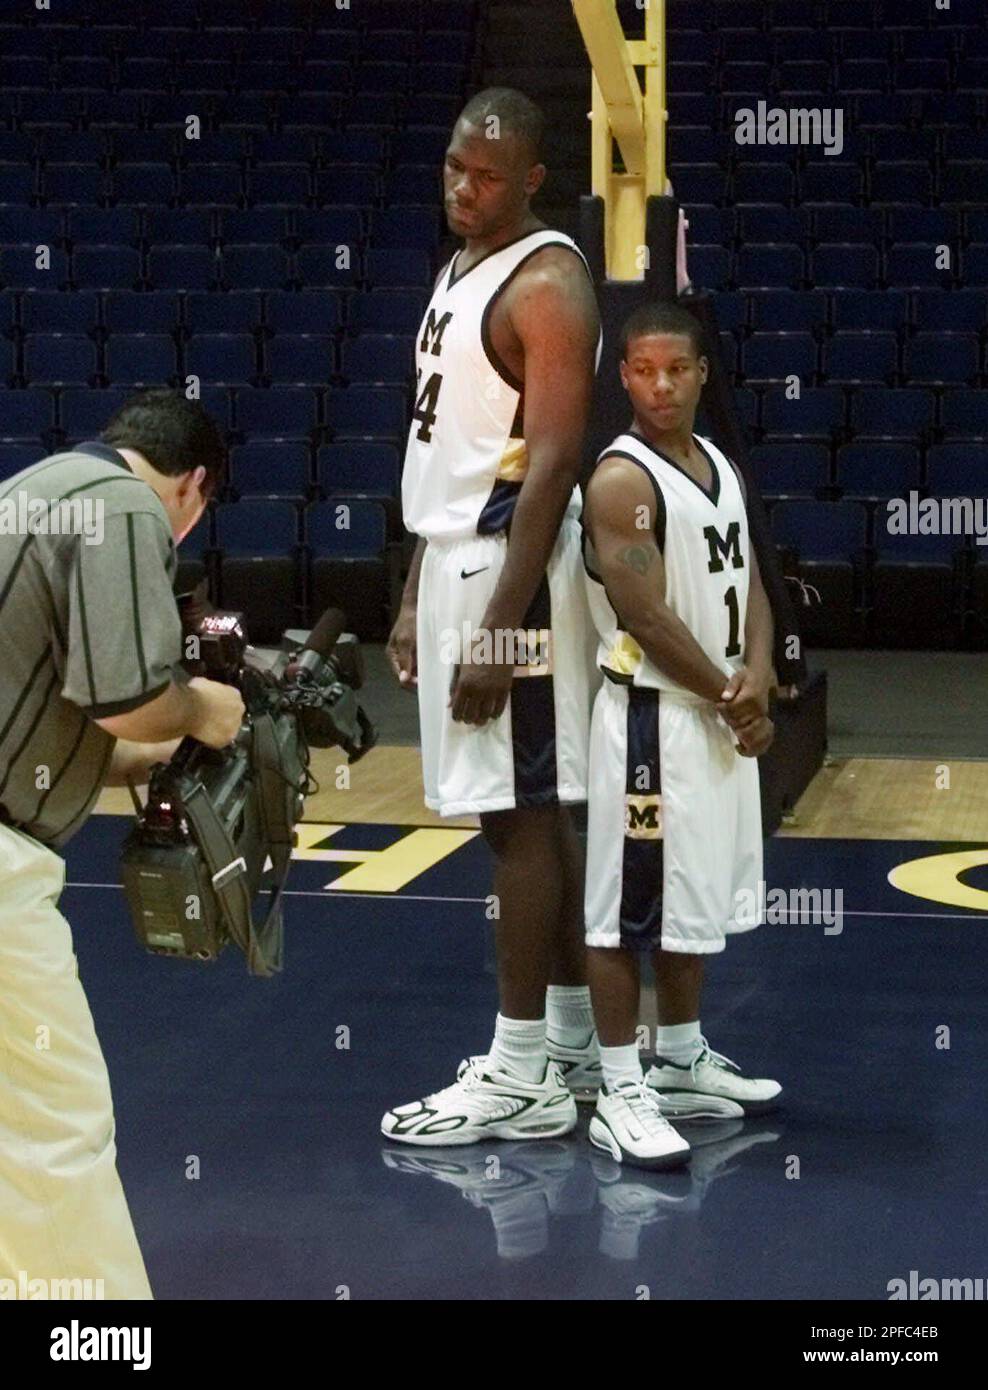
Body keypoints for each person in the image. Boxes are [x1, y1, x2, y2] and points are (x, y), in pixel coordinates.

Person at [382, 88, 604, 1145]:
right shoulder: (459, 268)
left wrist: (492, 627)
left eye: (484, 174)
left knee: (518, 815)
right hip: (459, 558)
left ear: (532, 181)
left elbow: (554, 463)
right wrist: (418, 586)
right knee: (522, 809)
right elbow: (453, 447)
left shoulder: (549, 282)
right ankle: (564, 1044)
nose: (461, 188)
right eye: (452, 168)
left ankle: (518, 1069)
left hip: (508, 574)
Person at [0, 390, 245, 1297]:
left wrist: (145, 746)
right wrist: (207, 711)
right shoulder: (124, 505)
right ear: (194, 488)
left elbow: (61, 723)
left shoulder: (34, 489)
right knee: (57, 1122)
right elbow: (133, 696)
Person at [580, 302, 782, 1171]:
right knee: (629, 911)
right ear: (622, 375)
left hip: (713, 713)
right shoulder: (622, 481)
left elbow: (755, 584)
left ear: (703, 372)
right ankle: (620, 1086)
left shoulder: (718, 464)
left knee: (690, 903)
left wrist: (760, 676)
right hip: (654, 722)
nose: (659, 385)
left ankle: (685, 1058)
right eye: (641, 369)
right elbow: (646, 614)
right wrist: (733, 699)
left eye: (676, 369)